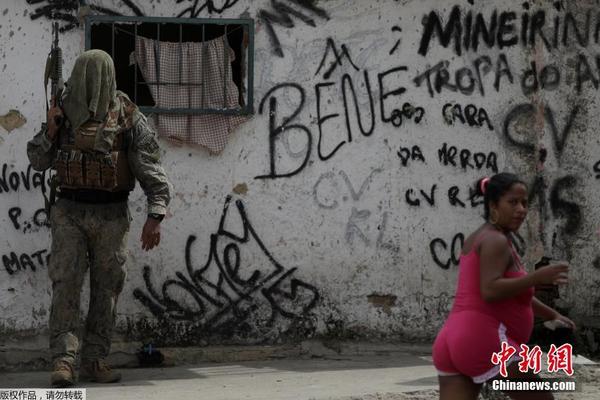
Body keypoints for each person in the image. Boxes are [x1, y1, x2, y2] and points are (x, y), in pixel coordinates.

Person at [27, 49, 171, 387]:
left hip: (112, 215)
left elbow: (150, 165)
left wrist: (156, 213)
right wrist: (50, 130)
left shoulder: (126, 114)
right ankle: (64, 362)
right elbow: (37, 160)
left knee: (107, 289)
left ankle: (94, 360)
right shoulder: (61, 110)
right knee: (66, 285)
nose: (91, 79)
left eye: (98, 72)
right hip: (69, 213)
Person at [432, 173, 576, 400]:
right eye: (512, 202)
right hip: (484, 340)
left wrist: (551, 314)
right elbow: (490, 290)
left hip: (451, 341)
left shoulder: (481, 237)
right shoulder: (495, 241)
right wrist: (536, 278)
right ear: (493, 205)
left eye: (524, 203)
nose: (521, 209)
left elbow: (515, 292)